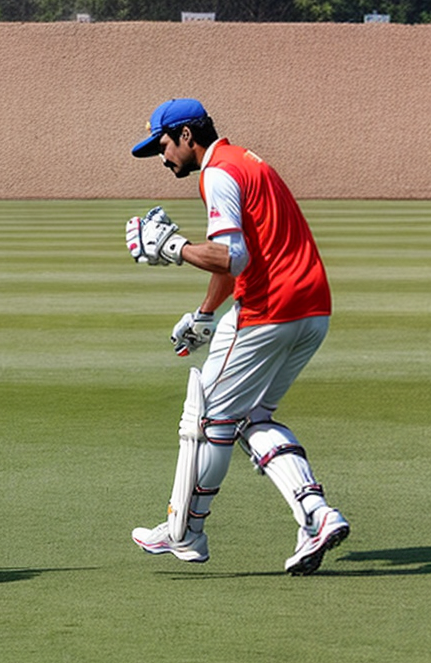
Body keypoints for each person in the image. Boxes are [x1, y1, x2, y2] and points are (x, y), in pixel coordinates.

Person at [124, 98, 349, 575]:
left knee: (211, 421)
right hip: (313, 309)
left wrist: (174, 247)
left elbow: (231, 257)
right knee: (254, 417)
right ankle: (317, 516)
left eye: (163, 144)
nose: (162, 157)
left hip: (269, 310)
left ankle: (186, 532)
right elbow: (247, 254)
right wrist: (206, 314)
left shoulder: (217, 174)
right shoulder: (245, 161)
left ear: (187, 135)